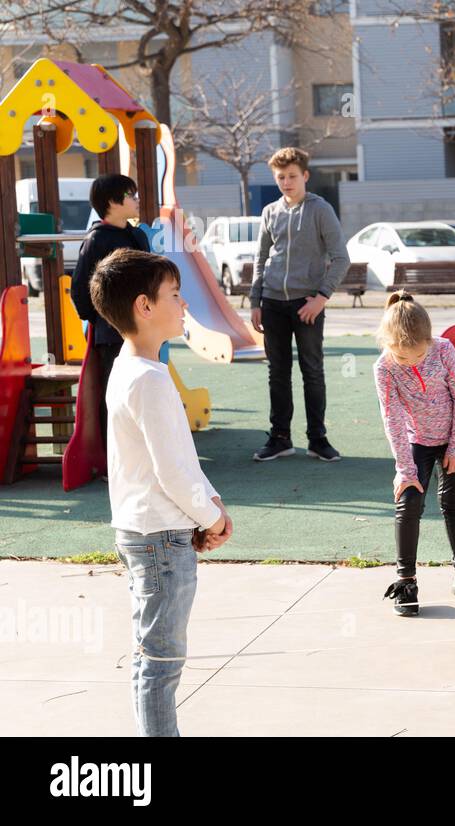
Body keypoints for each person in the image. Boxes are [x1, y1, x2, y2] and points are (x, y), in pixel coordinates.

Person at [91, 248, 233, 736]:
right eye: (174, 295)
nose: (183, 304)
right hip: (158, 539)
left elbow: (175, 461)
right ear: (143, 307)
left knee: (151, 656)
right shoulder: (148, 380)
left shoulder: (130, 369)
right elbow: (172, 470)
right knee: (162, 662)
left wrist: (206, 505)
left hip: (149, 530)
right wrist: (211, 518)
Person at [374, 291, 455, 616]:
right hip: (416, 443)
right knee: (408, 501)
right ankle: (406, 581)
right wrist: (405, 469)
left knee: (452, 504)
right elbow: (393, 418)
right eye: (402, 358)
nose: (411, 362)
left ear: (428, 341)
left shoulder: (443, 350)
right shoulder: (384, 368)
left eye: (416, 355)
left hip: (452, 439)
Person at [248, 147, 350, 462]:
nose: (286, 182)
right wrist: (256, 300)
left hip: (307, 304)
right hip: (273, 303)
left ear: (305, 176)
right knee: (277, 372)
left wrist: (321, 298)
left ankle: (317, 439)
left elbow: (341, 258)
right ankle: (279, 438)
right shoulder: (269, 212)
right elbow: (261, 258)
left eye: (292, 176)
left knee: (312, 371)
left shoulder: (321, 210)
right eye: (281, 177)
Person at [69, 174, 151, 446]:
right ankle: (112, 459)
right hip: (112, 333)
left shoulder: (136, 236)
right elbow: (81, 287)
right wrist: (100, 319)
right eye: (132, 195)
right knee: (115, 394)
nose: (137, 200)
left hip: (142, 330)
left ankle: (144, 454)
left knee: (144, 391)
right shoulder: (97, 240)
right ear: (113, 202)